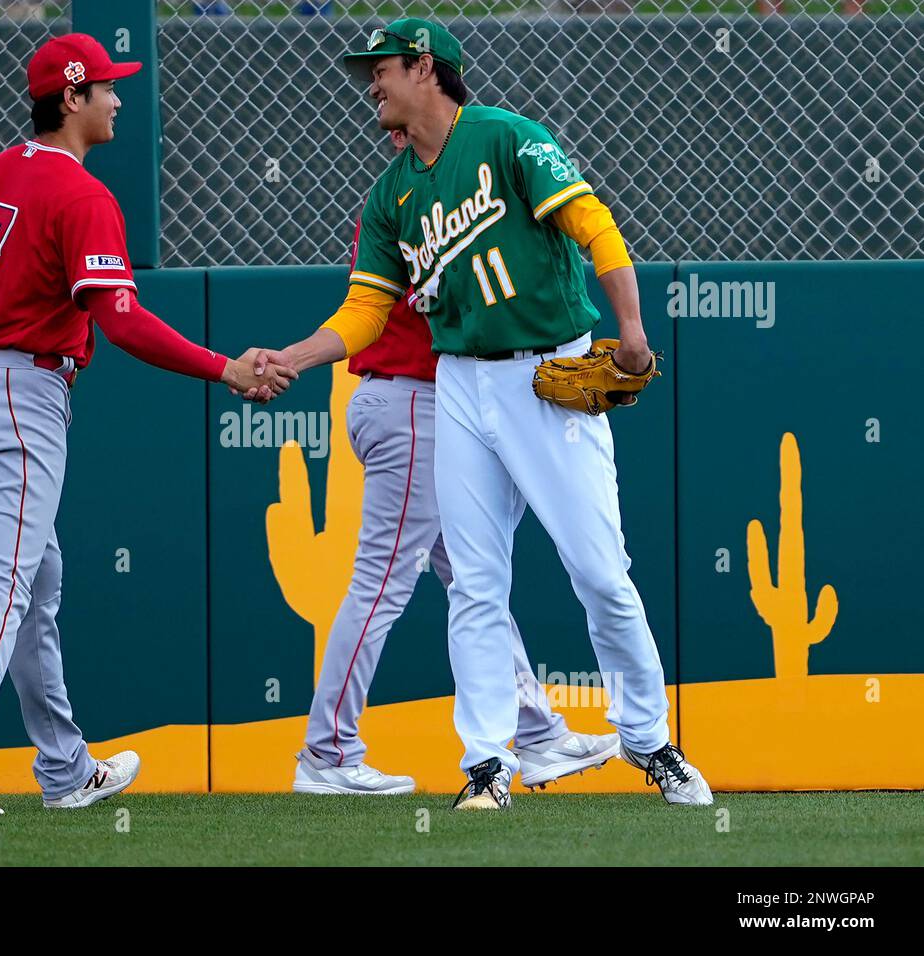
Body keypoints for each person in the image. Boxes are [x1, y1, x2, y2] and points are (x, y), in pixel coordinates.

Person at [251, 17, 712, 810]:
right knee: (474, 583)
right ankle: (489, 763)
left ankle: (650, 740)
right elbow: (367, 309)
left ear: (426, 67)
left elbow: (591, 221)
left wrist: (631, 328)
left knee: (600, 573)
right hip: (460, 383)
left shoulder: (505, 138)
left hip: (547, 373)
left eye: (384, 68)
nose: (372, 83)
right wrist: (294, 357)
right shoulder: (392, 193)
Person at [0, 33, 294, 815]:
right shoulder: (82, 196)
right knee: (3, 588)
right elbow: (122, 321)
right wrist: (226, 369)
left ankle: (65, 768)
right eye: (107, 87)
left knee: (35, 586)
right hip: (20, 397)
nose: (118, 99)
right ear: (70, 99)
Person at [295, 129, 618, 797]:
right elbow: (370, 310)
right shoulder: (408, 203)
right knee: (382, 583)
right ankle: (326, 752)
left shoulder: (427, 196)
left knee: (473, 581)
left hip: (413, 401)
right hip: (414, 403)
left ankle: (535, 732)